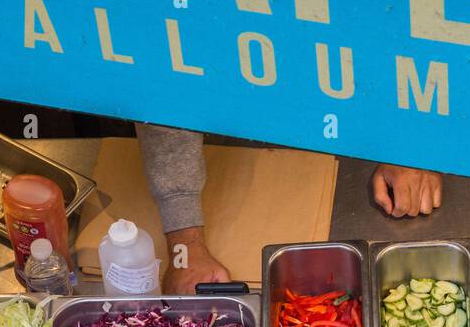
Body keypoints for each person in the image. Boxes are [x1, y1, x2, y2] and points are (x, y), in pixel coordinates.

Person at [137, 124, 443, 295]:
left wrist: (412, 138)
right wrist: (184, 240)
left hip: (365, 123)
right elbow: (162, 62)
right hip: (220, 122)